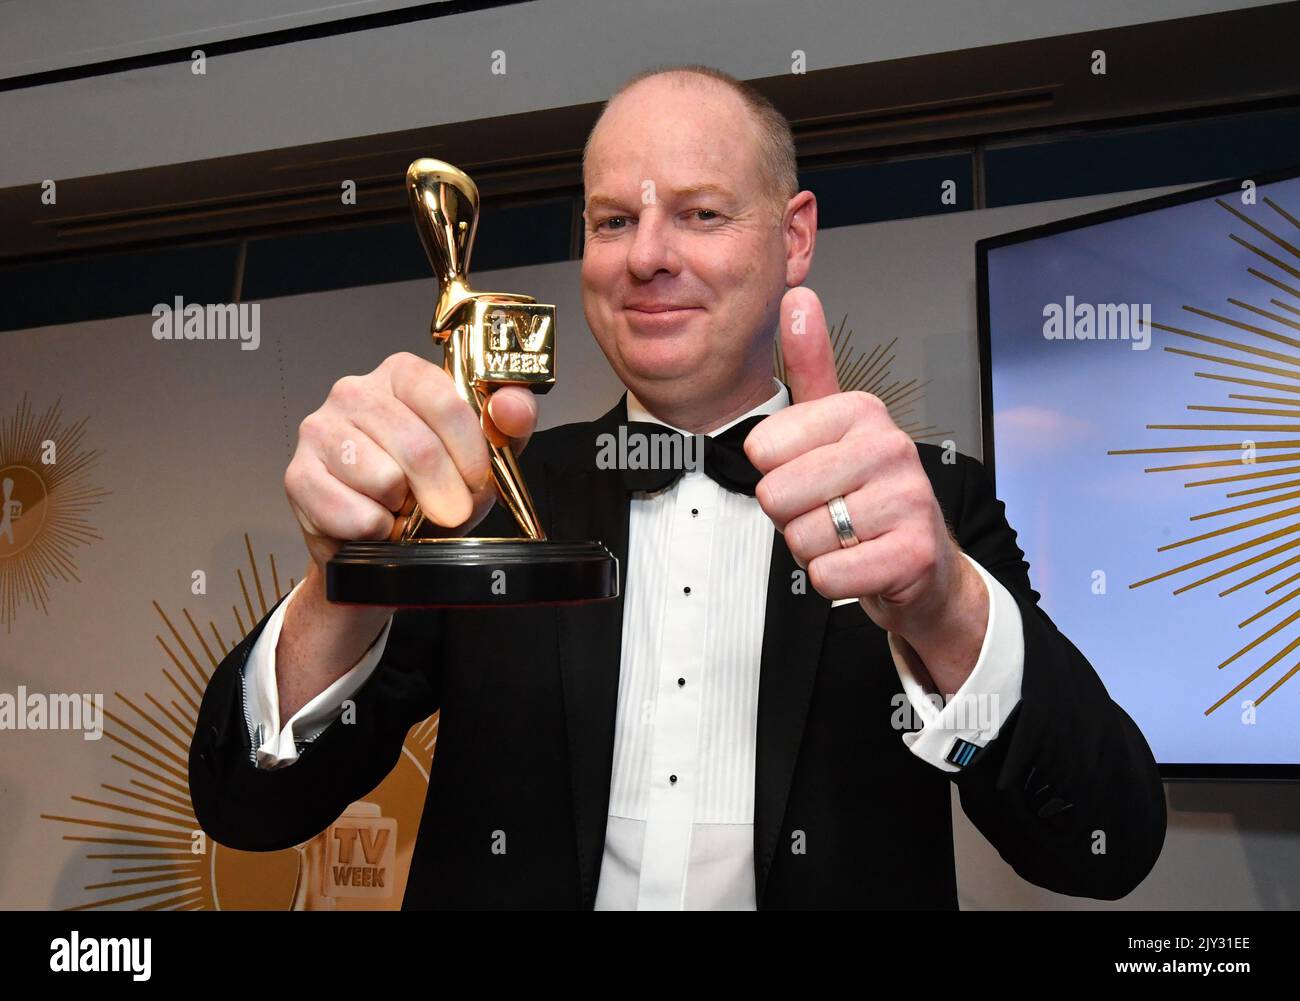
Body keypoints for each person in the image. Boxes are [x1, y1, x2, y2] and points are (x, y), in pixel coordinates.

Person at [188, 64, 1166, 909]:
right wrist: (341, 578)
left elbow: (1104, 845)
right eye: (614, 220)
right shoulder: (487, 495)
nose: (647, 255)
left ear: (794, 236)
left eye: (698, 212)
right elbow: (248, 806)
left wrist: (945, 605)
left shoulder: (929, 505)